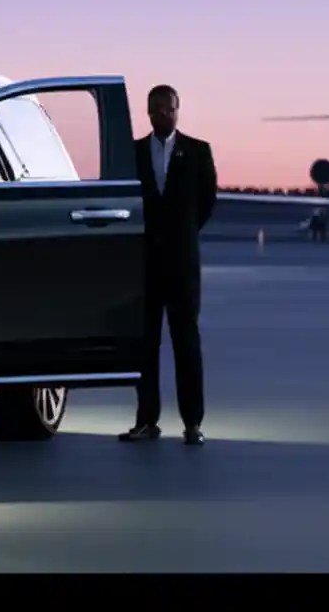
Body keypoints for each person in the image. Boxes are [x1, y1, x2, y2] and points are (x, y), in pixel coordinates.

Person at [120, 84, 216, 446]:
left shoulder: (197, 152)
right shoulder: (134, 153)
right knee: (146, 345)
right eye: (156, 109)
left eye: (168, 109)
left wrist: (181, 237)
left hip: (181, 266)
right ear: (147, 112)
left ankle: (193, 423)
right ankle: (147, 421)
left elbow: (206, 203)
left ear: (178, 110)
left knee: (186, 343)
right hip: (144, 265)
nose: (163, 115)